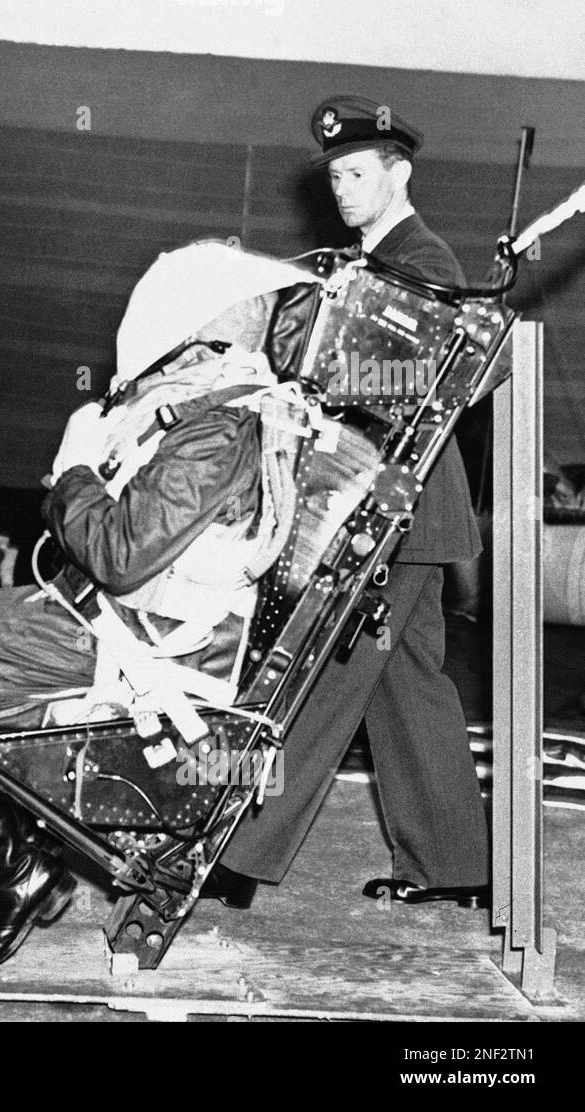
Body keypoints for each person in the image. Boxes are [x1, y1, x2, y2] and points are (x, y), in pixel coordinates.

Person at [0, 243, 315, 974]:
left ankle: (15, 873)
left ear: (203, 337)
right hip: (120, 621)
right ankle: (17, 853)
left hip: (140, 644)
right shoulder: (227, 411)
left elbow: (119, 555)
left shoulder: (219, 429)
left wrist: (76, 472)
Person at [209, 95, 490, 910]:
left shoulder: (421, 259)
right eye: (335, 174)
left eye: (358, 173)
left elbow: (411, 388)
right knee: (410, 687)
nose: (342, 187)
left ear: (398, 174)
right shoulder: (373, 255)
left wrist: (310, 392)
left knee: (319, 678)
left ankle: (238, 855)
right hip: (404, 512)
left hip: (393, 512)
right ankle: (457, 866)